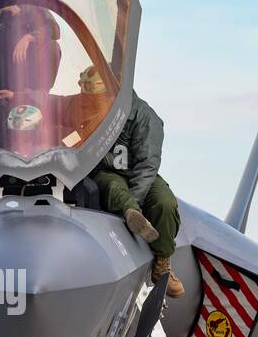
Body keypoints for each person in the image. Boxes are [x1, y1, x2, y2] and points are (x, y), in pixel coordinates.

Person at [78, 67, 184, 297]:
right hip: (106, 171)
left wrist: (136, 201)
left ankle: (162, 262)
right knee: (113, 188)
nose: (91, 102)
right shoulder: (84, 110)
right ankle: (130, 213)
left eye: (95, 97)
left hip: (138, 172)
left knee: (164, 203)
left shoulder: (145, 117)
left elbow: (147, 166)